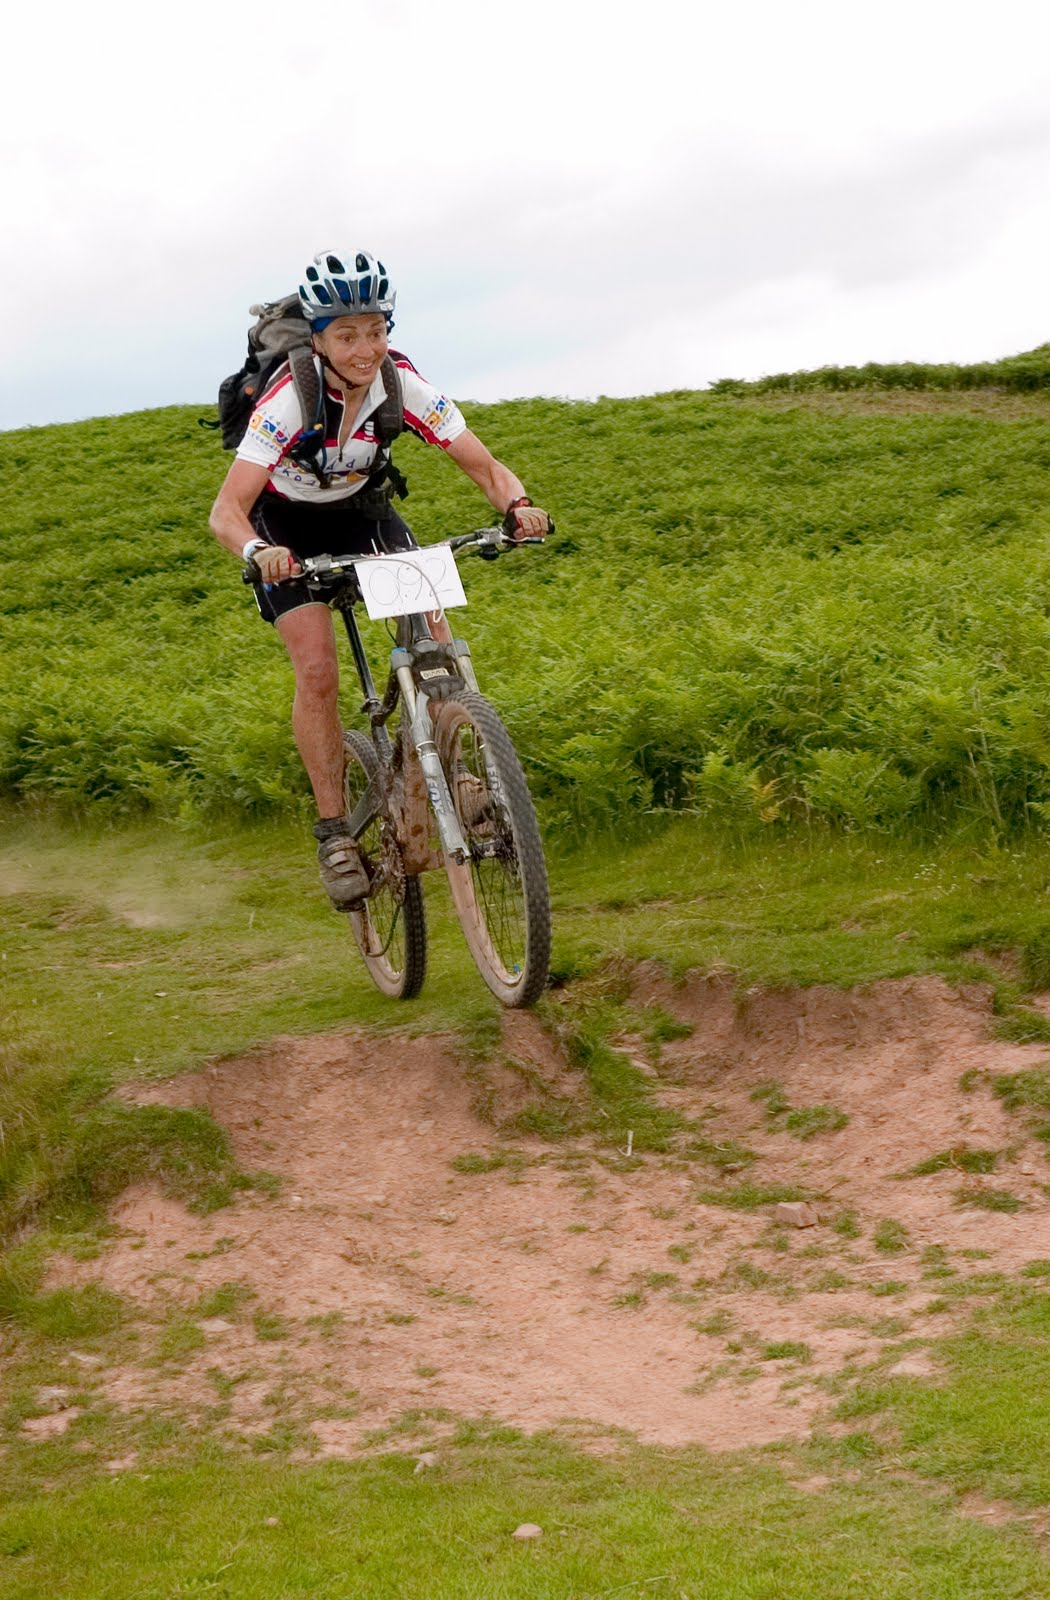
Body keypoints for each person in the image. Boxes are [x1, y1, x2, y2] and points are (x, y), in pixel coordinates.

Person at [209, 248, 551, 909]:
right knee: (318, 670)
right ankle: (335, 834)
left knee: (436, 641)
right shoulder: (287, 401)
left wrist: (517, 505)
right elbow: (226, 511)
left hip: (363, 514)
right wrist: (258, 550)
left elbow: (486, 467)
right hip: (284, 529)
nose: (366, 349)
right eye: (347, 335)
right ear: (317, 338)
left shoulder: (402, 386)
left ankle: (459, 770)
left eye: (376, 331)